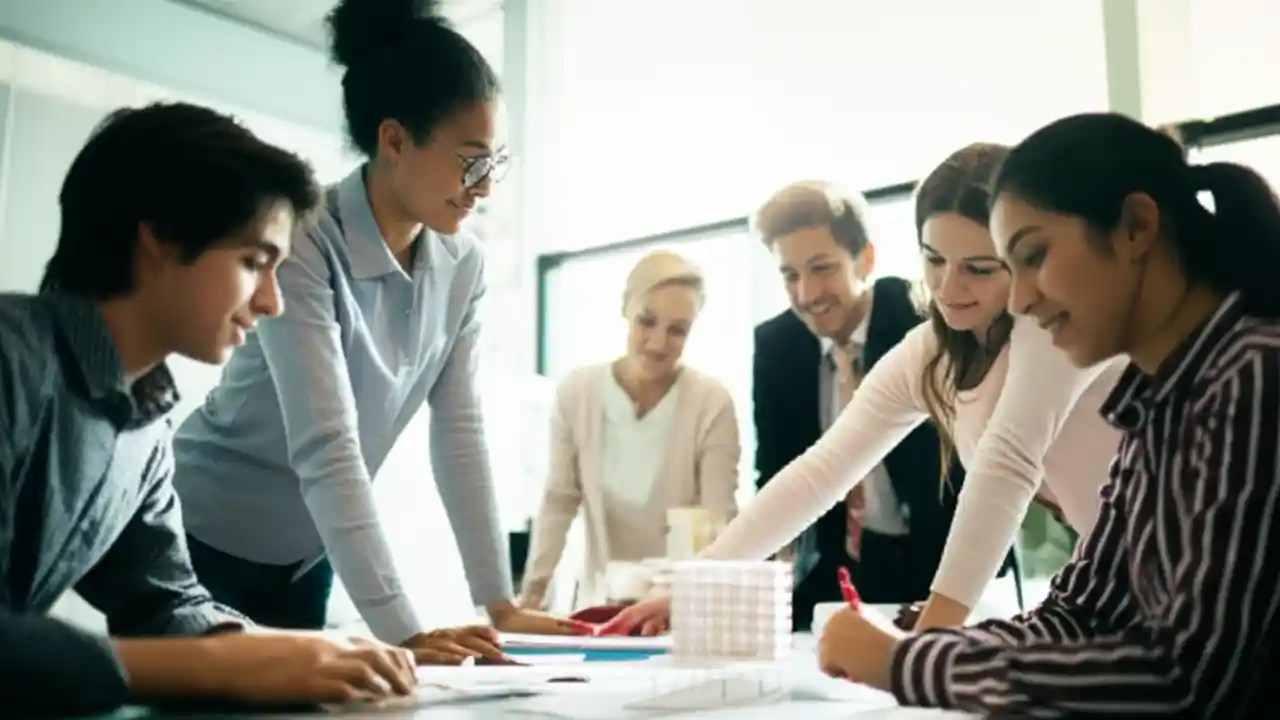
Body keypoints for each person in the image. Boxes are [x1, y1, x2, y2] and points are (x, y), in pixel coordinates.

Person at [819, 112, 1280, 717]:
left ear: (1136, 227)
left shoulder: (1252, 375)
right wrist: (923, 653)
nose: (1020, 300)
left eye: (1033, 257)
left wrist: (906, 662)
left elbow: (1186, 678)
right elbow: (1081, 613)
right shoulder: (1156, 406)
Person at [172, 0, 583, 659]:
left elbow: (460, 432)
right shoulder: (307, 237)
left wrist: (499, 603)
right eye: (469, 162)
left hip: (310, 553)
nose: (483, 188)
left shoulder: (462, 262)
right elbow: (327, 444)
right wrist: (404, 631)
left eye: (494, 165)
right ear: (394, 141)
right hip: (203, 544)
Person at [598, 144, 1126, 637]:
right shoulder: (931, 351)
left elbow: (1005, 468)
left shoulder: (1050, 328)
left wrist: (929, 642)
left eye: (979, 269)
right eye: (934, 260)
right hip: (1117, 565)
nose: (947, 289)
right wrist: (691, 584)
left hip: (1174, 557)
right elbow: (823, 470)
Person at [0, 102, 422, 715]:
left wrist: (297, 651)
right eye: (255, 263)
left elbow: (165, 602)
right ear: (161, 235)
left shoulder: (143, 415)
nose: (273, 301)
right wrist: (217, 663)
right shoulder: (12, 359)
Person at [748, 181, 964, 631]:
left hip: (942, 555)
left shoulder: (918, 317)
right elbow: (776, 472)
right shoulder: (778, 345)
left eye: (822, 268)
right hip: (841, 567)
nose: (807, 294)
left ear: (864, 259)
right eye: (790, 275)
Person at [519, 251, 740, 612]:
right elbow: (560, 499)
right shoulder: (577, 392)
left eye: (677, 330)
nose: (657, 342)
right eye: (646, 321)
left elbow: (718, 517)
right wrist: (534, 589)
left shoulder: (711, 402)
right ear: (626, 307)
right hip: (600, 601)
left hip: (680, 608)